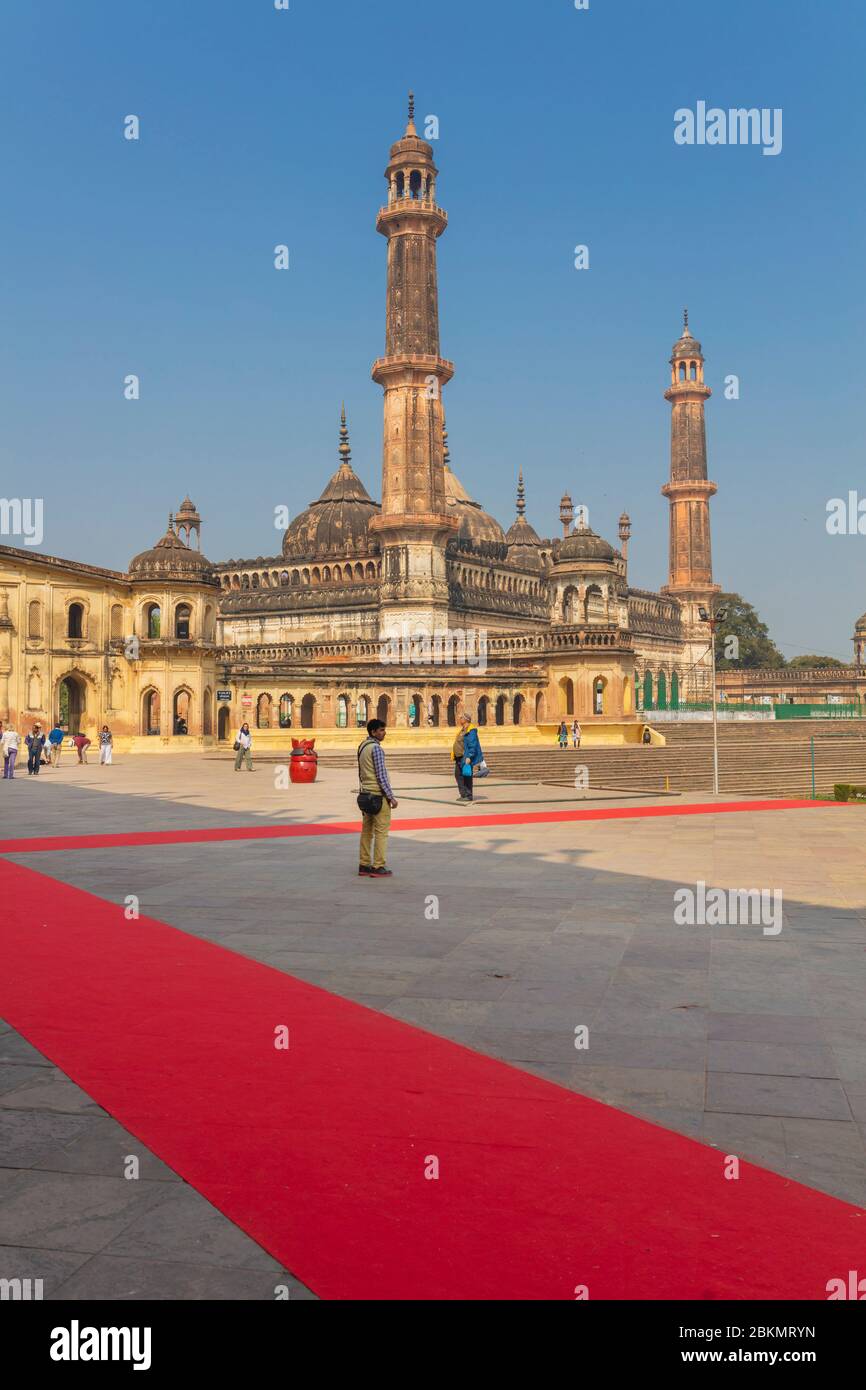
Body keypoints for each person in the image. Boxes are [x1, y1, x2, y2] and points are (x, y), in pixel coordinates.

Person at [357, 717, 397, 876]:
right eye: (381, 730)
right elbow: (381, 776)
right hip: (378, 796)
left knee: (367, 831)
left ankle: (364, 864)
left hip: (366, 794)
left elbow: (361, 773)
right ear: (373, 732)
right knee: (381, 832)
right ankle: (378, 865)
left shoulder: (362, 746)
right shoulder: (377, 749)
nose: (384, 733)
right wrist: (391, 797)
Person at [452, 711, 483, 802]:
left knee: (467, 776)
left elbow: (472, 744)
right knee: (458, 775)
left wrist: (469, 756)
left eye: (461, 717)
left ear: (466, 720)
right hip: (459, 757)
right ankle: (463, 794)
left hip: (465, 757)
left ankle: (468, 795)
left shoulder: (471, 730)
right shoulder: (463, 729)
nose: (459, 719)